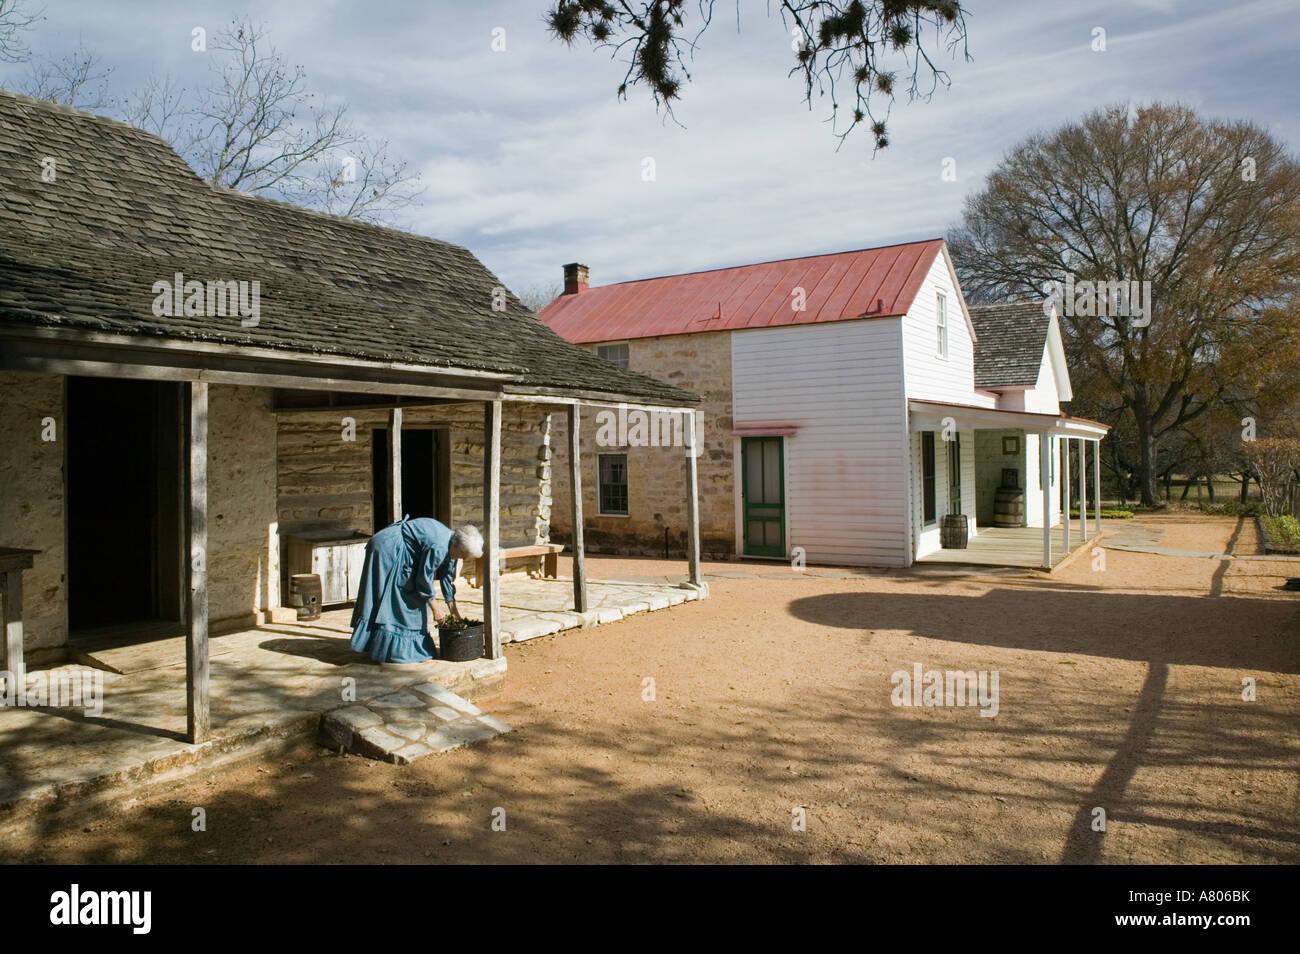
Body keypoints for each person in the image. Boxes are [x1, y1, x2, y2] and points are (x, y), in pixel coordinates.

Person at [349, 517, 484, 663]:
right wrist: (436, 608)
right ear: (456, 545)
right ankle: (390, 650)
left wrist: (454, 610)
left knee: (411, 597)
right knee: (397, 598)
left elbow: (446, 576)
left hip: (403, 550)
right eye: (462, 556)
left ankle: (395, 648)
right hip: (388, 548)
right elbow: (423, 581)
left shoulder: (452, 543)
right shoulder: (439, 546)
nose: (462, 559)